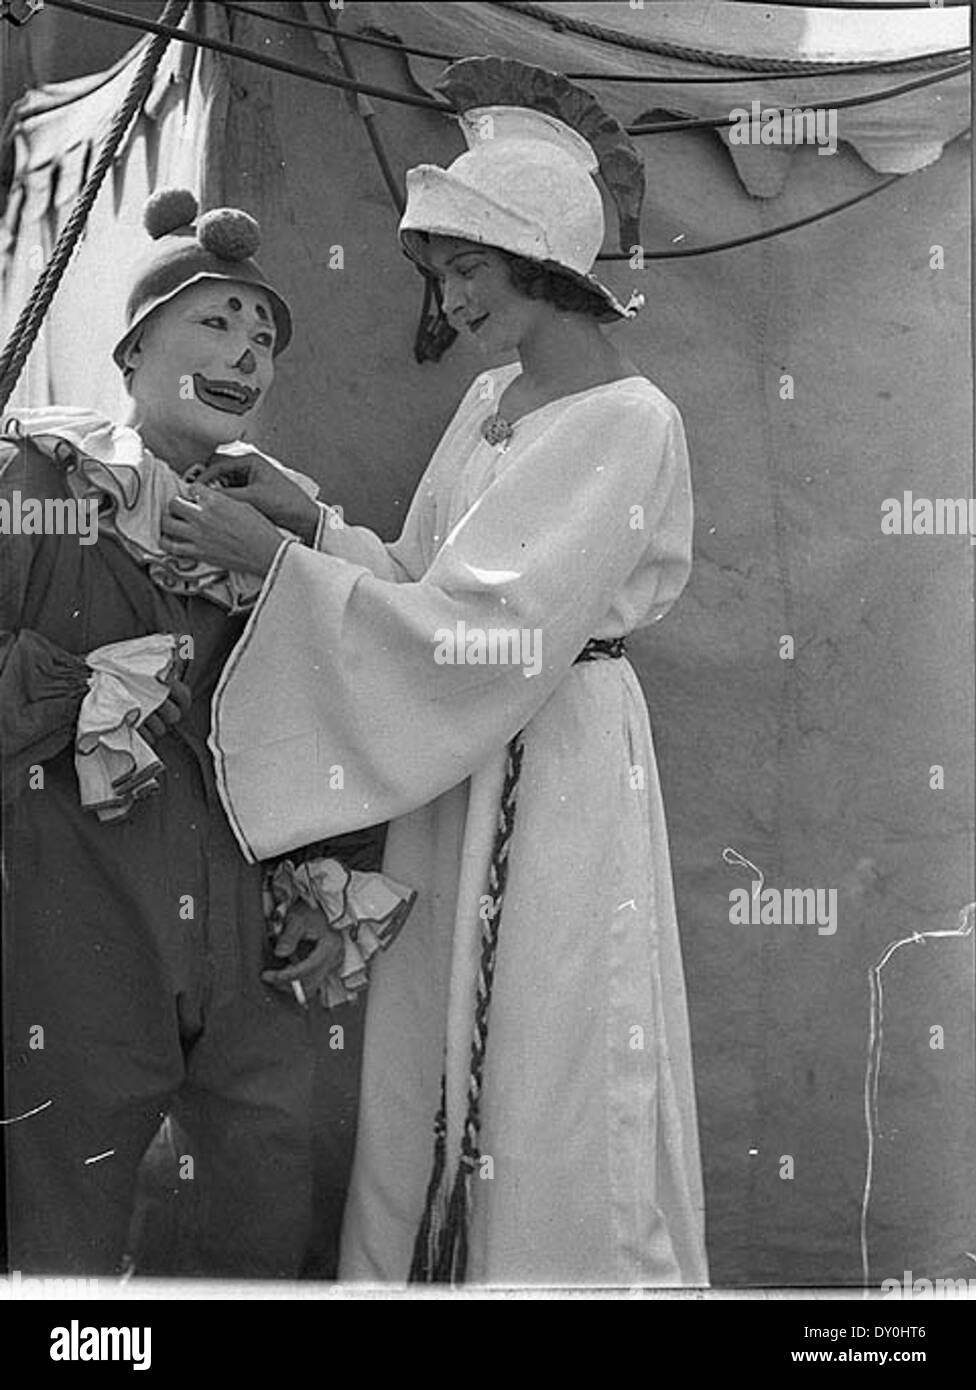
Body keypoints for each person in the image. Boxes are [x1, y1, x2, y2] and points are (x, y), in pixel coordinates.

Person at [164, 58, 709, 1286]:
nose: (447, 296)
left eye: (465, 266)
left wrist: (285, 569)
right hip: (457, 758)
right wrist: (305, 525)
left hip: (556, 759)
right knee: (429, 1041)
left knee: (548, 1038)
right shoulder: (490, 404)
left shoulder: (630, 422)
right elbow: (420, 579)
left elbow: (497, 636)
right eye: (441, 269)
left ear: (544, 270)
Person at [0, 189, 411, 1277]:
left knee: (263, 1219)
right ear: (134, 350)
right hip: (76, 924)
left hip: (253, 942)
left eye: (263, 337)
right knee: (62, 1220)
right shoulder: (45, 484)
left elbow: (351, 706)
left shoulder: (283, 516)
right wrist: (71, 689)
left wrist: (335, 882)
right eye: (216, 323)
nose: (247, 355)